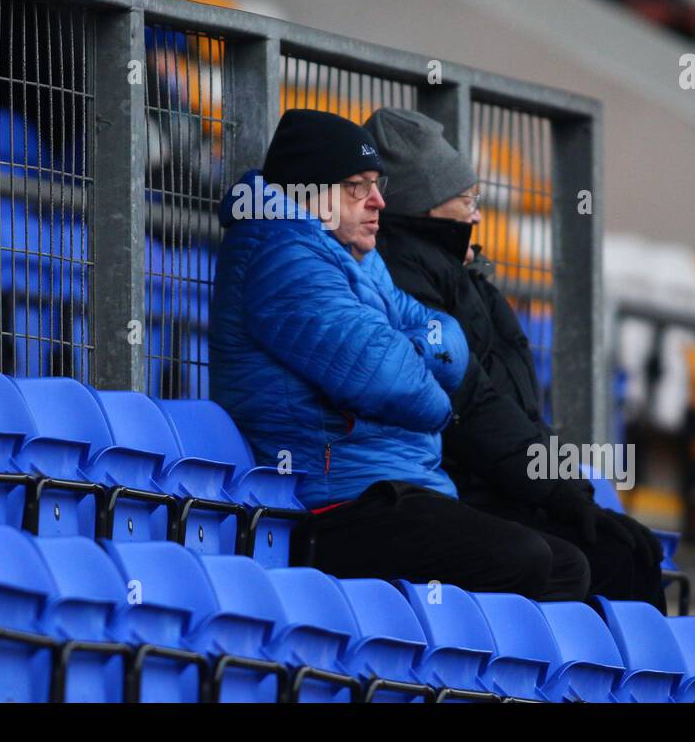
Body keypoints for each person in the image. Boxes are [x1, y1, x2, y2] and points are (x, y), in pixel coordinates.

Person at [210, 108, 591, 601]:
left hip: (397, 488)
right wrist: (434, 390)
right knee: (527, 560)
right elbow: (394, 379)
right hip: (333, 505)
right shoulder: (284, 258)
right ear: (310, 193)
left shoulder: (355, 257)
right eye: (356, 186)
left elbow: (448, 337)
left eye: (376, 183)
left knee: (568, 565)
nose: (377, 201)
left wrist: (412, 351)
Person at [364, 107, 665, 609]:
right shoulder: (408, 277)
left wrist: (565, 487)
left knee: (631, 553)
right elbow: (474, 410)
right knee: (600, 561)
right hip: (464, 487)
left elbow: (514, 410)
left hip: (502, 481)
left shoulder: (463, 278)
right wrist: (556, 490)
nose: (477, 214)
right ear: (425, 208)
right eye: (464, 201)